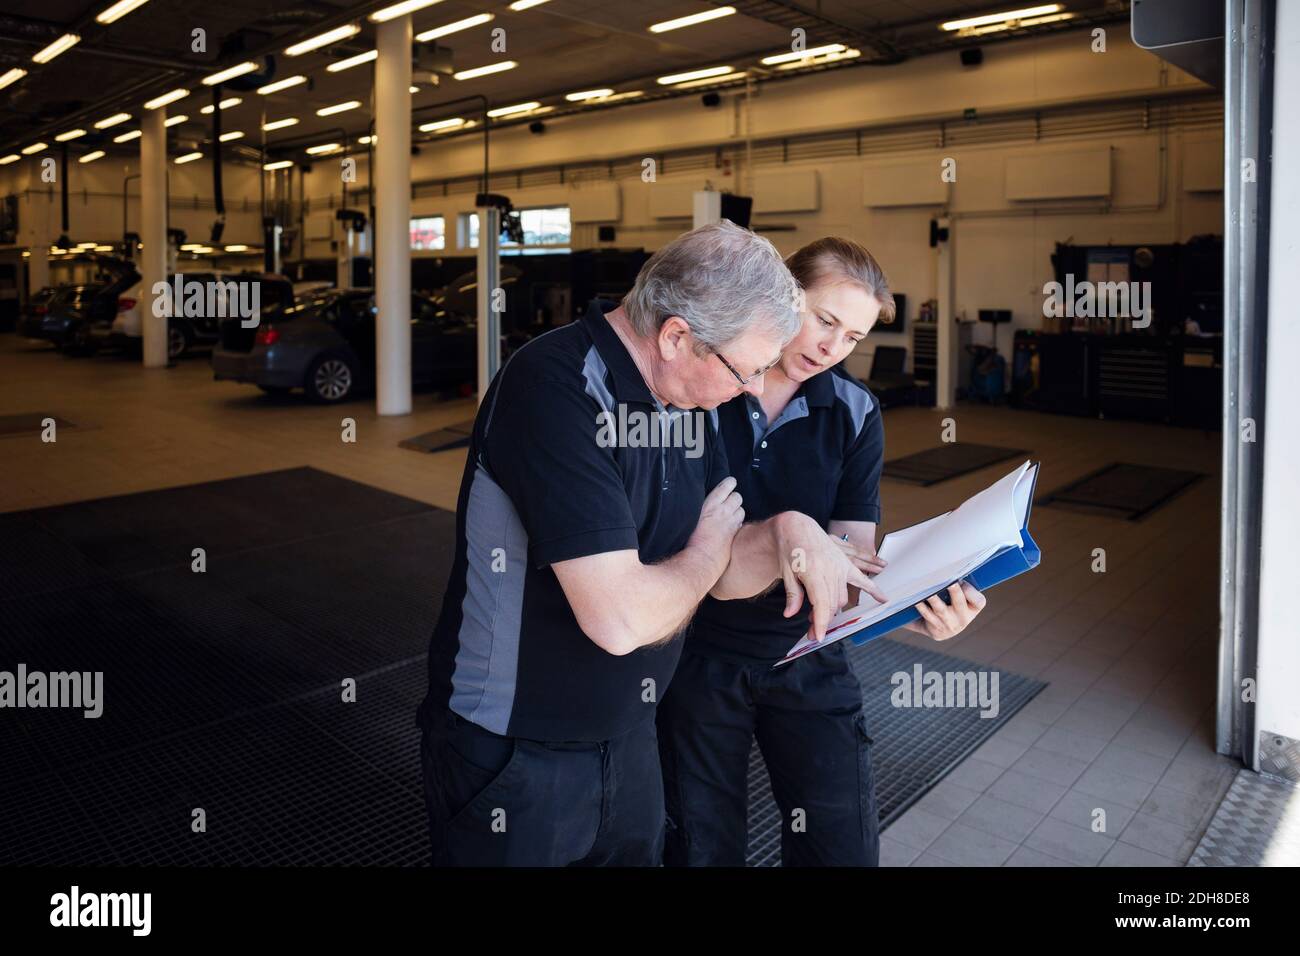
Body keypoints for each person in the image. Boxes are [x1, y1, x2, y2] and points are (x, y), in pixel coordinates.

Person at [414, 222, 884, 866]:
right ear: (675, 335)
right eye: (745, 370)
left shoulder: (682, 400)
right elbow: (620, 617)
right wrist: (704, 554)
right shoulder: (557, 385)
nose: (750, 390)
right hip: (520, 747)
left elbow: (724, 571)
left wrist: (784, 531)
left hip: (630, 735)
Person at [656, 236, 987, 867]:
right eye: (825, 320)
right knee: (699, 848)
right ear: (783, 294)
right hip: (696, 656)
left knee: (839, 848)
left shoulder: (855, 411)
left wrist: (918, 601)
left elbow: (852, 554)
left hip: (809, 653)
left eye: (854, 337)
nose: (832, 349)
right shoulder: (702, 387)